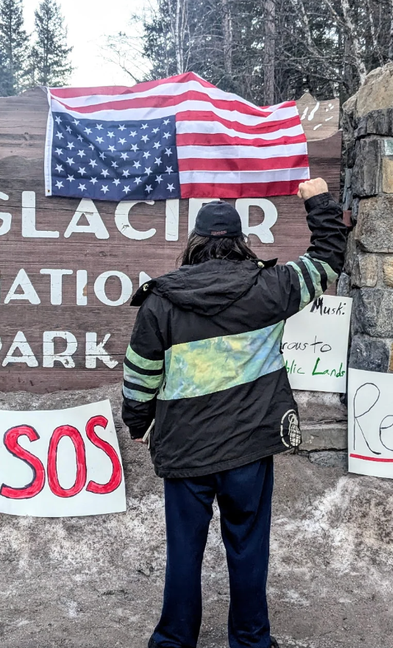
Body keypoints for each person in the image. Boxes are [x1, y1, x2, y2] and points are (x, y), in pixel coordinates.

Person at [121, 178, 347, 648]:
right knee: (248, 548)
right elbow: (327, 258)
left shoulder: (160, 300)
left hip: (185, 450)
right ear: (241, 241)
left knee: (184, 550)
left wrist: (138, 422)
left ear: (196, 243)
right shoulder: (273, 287)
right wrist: (317, 200)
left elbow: (141, 370)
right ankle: (250, 641)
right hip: (249, 448)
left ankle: (173, 641)